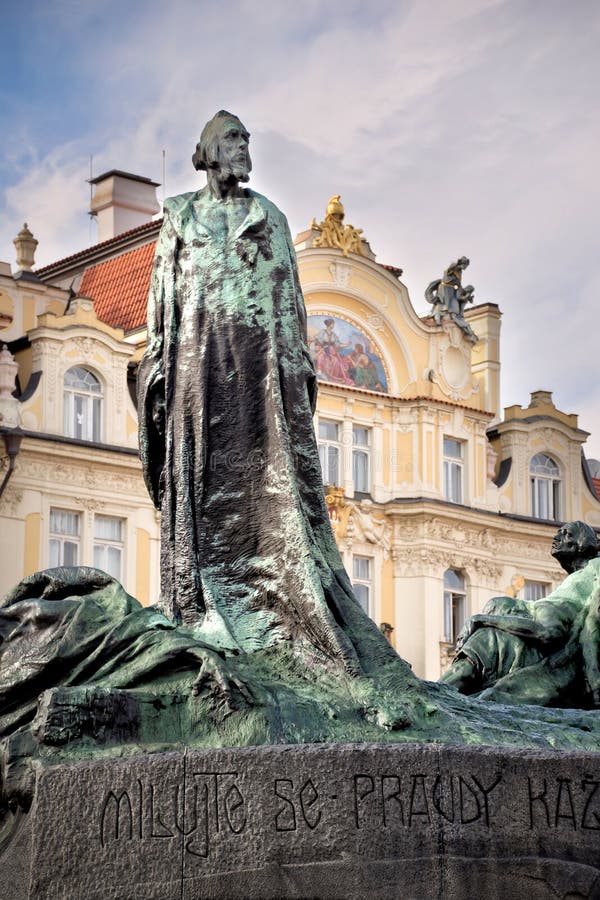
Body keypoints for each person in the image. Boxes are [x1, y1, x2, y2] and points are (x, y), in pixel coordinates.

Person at [137, 111, 399, 678]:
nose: (244, 147)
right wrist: (159, 360)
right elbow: (162, 297)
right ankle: (200, 602)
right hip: (197, 362)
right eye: (233, 139)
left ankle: (274, 613)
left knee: (264, 483)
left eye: (246, 139)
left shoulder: (269, 218)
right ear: (207, 151)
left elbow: (290, 303)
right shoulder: (180, 216)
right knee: (201, 480)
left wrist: (295, 370)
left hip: (258, 373)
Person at [439, 521, 600, 707]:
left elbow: (551, 633)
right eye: (559, 532)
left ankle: (435, 696)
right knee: (494, 606)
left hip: (554, 626)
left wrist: (482, 620)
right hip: (536, 613)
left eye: (567, 534)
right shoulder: (574, 578)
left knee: (488, 637)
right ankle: (437, 695)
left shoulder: (596, 565)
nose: (557, 538)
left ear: (581, 543)